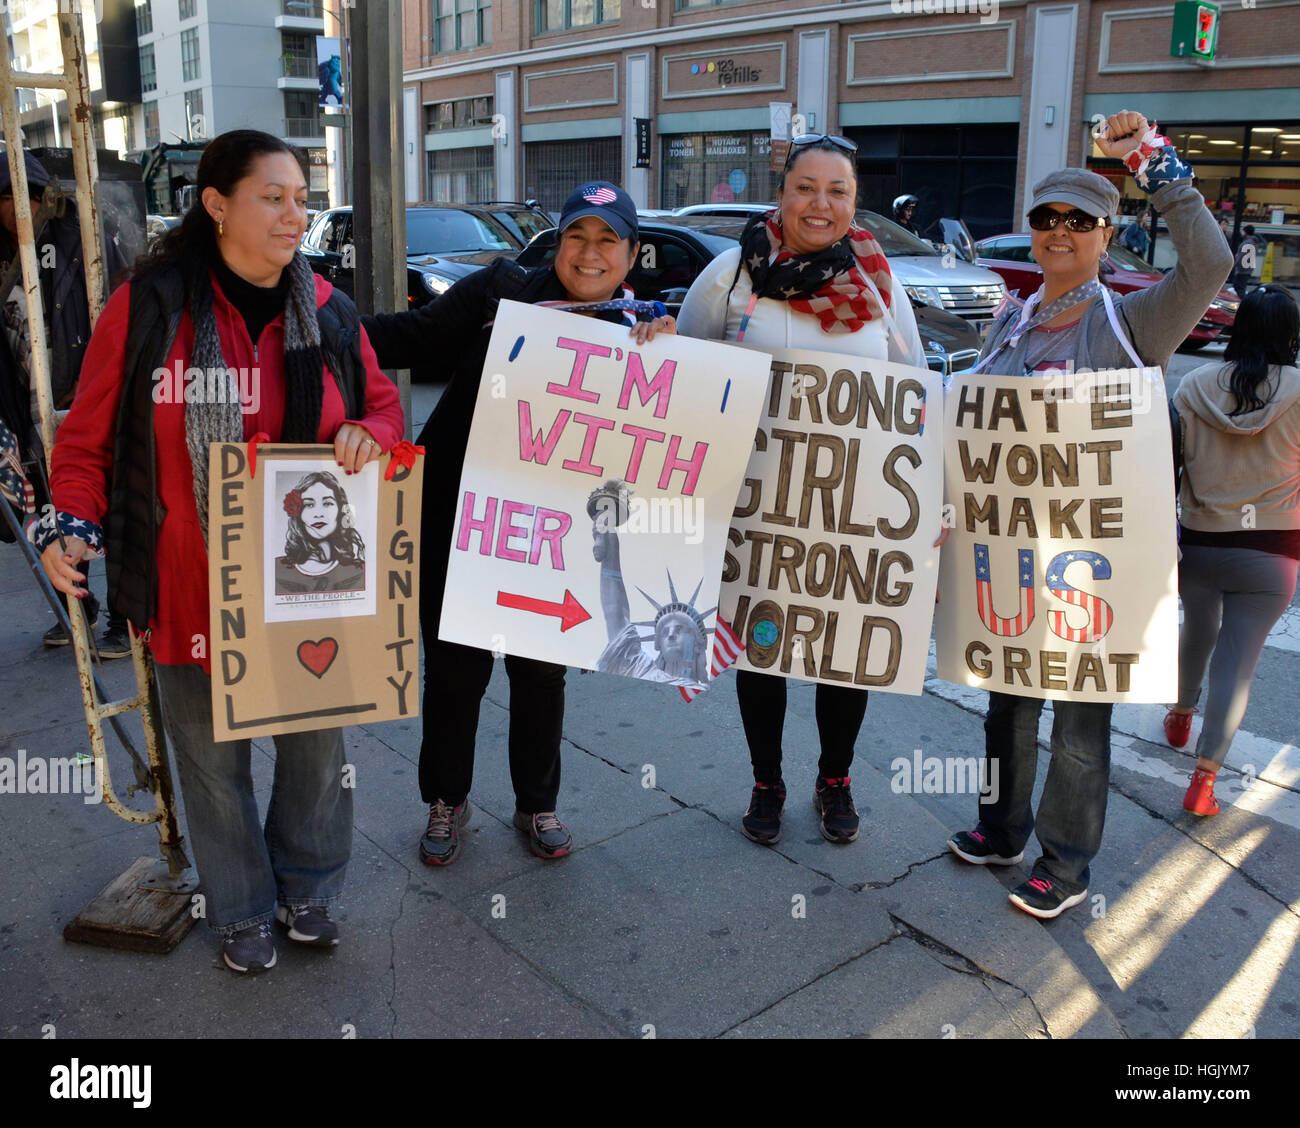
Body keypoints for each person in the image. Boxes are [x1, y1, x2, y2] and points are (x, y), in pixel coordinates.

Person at [37, 130, 404, 973]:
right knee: (208, 761)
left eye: (300, 198)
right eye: (272, 196)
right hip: (186, 581)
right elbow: (87, 437)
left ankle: (306, 885)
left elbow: (385, 412)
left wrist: (367, 433)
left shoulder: (330, 311)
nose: (293, 213)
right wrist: (72, 524)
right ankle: (238, 906)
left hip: (309, 586)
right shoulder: (152, 306)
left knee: (317, 752)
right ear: (217, 204)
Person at [944, 110, 1233, 918]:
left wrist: (1152, 161)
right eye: (1047, 218)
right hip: (1009, 561)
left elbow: (1209, 264)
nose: (1061, 231)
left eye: (1081, 220)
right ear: (1031, 231)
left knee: (1077, 720)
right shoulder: (1013, 319)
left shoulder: (1131, 324)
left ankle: (1065, 867)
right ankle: (1001, 829)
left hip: (1090, 567)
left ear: (1107, 236)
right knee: (1006, 704)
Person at [360, 181, 676, 867]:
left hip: (555, 536)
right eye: (576, 236)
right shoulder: (500, 291)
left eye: (607, 240)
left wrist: (668, 360)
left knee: (541, 673)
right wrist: (324, 322)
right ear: (557, 243)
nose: (589, 253)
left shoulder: (640, 327)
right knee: (454, 669)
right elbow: (412, 335)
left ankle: (537, 804)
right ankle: (446, 799)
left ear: (629, 254)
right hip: (459, 511)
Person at [679, 135, 927, 847]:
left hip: (853, 510)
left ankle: (836, 777)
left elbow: (912, 392)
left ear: (854, 202)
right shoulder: (731, 276)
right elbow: (684, 379)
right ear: (780, 194)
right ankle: (767, 780)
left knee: (844, 649)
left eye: (837, 191)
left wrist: (927, 501)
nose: (821, 204)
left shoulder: (880, 283)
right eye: (806, 188)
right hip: (753, 509)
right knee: (761, 650)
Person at [1163, 286, 1300, 815]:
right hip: (1273, 549)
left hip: (1201, 540)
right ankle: (1204, 779)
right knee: (1237, 664)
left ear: (1238, 327)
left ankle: (1179, 712)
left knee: (1198, 630)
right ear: (1291, 335)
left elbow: (1169, 465)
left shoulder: (1193, 386)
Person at [0, 149, 132, 655]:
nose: (17, 212)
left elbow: (119, 301)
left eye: (23, 199)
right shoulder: (6, 252)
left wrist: (96, 379)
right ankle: (77, 609)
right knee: (52, 510)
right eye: (7, 200)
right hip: (26, 400)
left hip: (85, 393)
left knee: (112, 505)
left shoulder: (82, 235)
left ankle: (122, 617)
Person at [275, 470, 366, 595]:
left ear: (340, 510)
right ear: (298, 513)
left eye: (327, 503)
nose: (318, 514)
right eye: (309, 505)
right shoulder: (277, 569)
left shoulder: (361, 571)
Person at [1230, 224, 1262, 300]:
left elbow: (1241, 257)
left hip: (1242, 269)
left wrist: (1234, 265)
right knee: (1241, 287)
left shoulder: (1247, 243)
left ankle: (1242, 304)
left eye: (1243, 231)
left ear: (1245, 232)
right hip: (1248, 269)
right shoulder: (1254, 243)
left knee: (1239, 289)